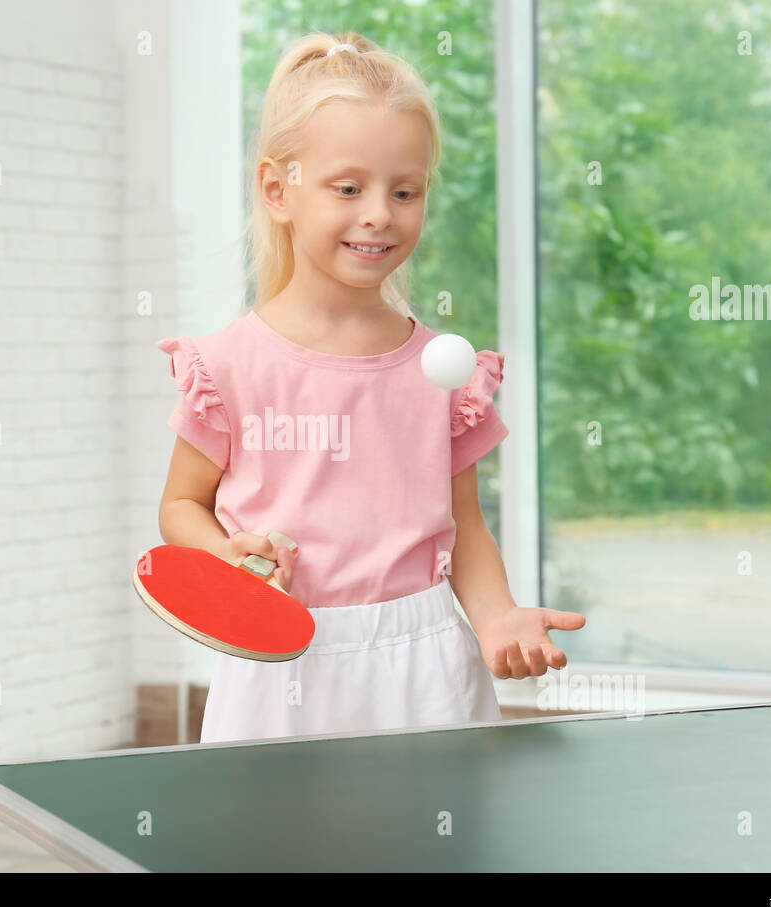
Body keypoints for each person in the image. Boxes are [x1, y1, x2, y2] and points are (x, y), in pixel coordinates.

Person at [155, 32, 585, 744]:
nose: (380, 213)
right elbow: (180, 506)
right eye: (348, 188)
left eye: (405, 190)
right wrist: (222, 553)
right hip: (276, 662)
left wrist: (498, 615)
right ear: (277, 189)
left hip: (428, 669)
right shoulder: (226, 364)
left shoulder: (442, 371)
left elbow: (465, 526)